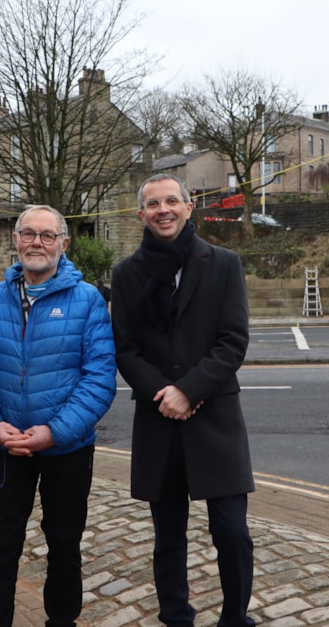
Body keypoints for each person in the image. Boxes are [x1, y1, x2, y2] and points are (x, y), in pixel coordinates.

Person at [111, 173, 256, 627]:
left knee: (231, 532)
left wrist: (189, 390)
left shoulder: (223, 263)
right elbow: (125, 350)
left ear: (189, 207)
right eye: (154, 204)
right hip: (159, 420)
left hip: (215, 418)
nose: (164, 210)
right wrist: (164, 394)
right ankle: (176, 617)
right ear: (141, 214)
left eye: (171, 201)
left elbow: (233, 341)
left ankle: (235, 618)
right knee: (168, 538)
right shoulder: (126, 273)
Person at [0, 204, 116, 627]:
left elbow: (99, 378)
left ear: (63, 244)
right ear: (16, 240)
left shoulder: (88, 301)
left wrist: (54, 431)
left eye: (47, 235)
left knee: (64, 546)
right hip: (6, 447)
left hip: (67, 449)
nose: (37, 243)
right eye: (28, 234)